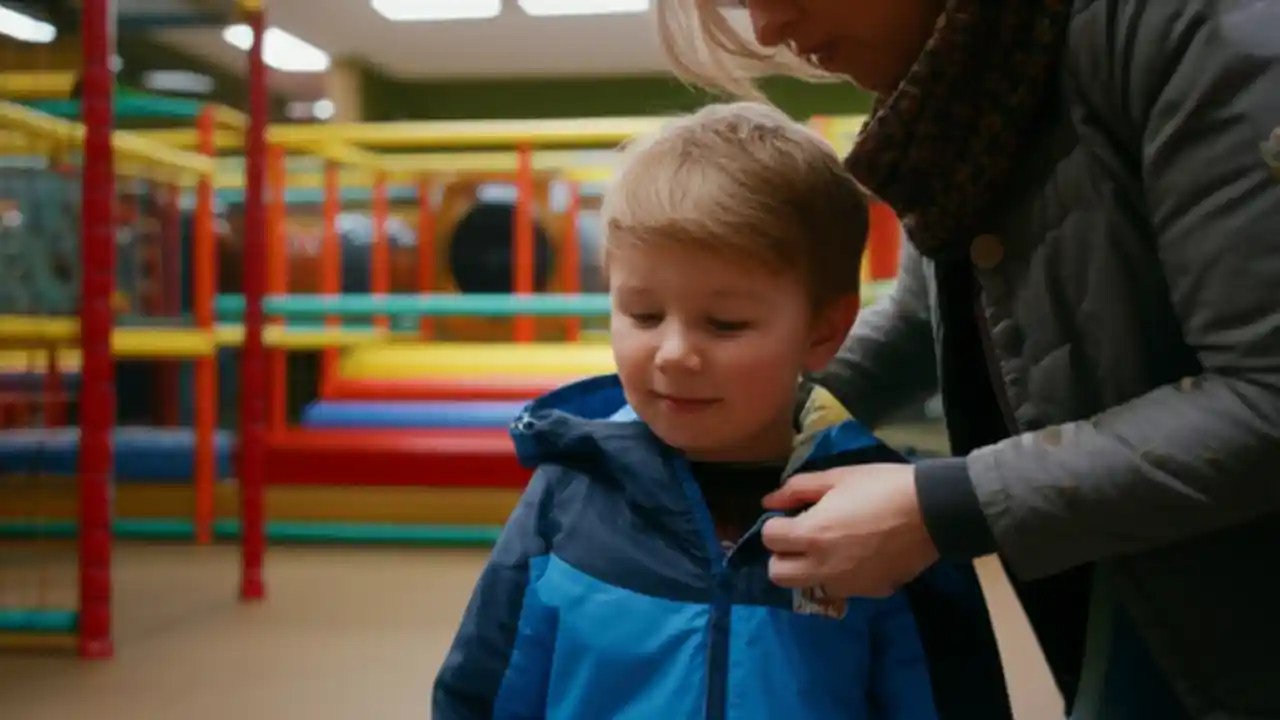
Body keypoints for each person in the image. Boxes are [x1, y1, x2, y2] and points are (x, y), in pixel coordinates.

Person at [655, 1, 1280, 718]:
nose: (768, 29)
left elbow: (1266, 393)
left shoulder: (1197, 31)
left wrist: (943, 507)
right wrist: (715, 403)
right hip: (1145, 584)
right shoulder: (972, 84)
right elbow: (930, 316)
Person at [432, 102, 1012, 719]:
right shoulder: (565, 494)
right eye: (643, 315)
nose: (675, 354)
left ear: (823, 330)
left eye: (726, 323)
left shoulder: (883, 518)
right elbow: (481, 693)